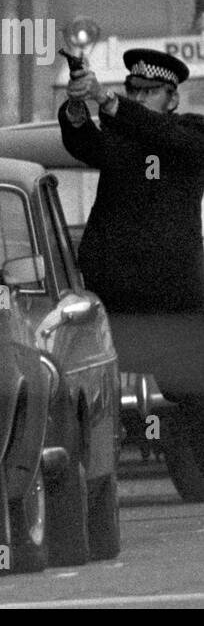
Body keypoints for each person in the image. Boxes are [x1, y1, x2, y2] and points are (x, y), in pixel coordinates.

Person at [61, 47, 204, 390]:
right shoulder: (121, 135)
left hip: (171, 300)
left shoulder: (192, 132)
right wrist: (78, 104)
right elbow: (86, 145)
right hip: (115, 292)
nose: (138, 99)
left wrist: (107, 100)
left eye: (149, 92)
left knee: (187, 405)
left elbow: (162, 135)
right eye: (133, 90)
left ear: (172, 100)